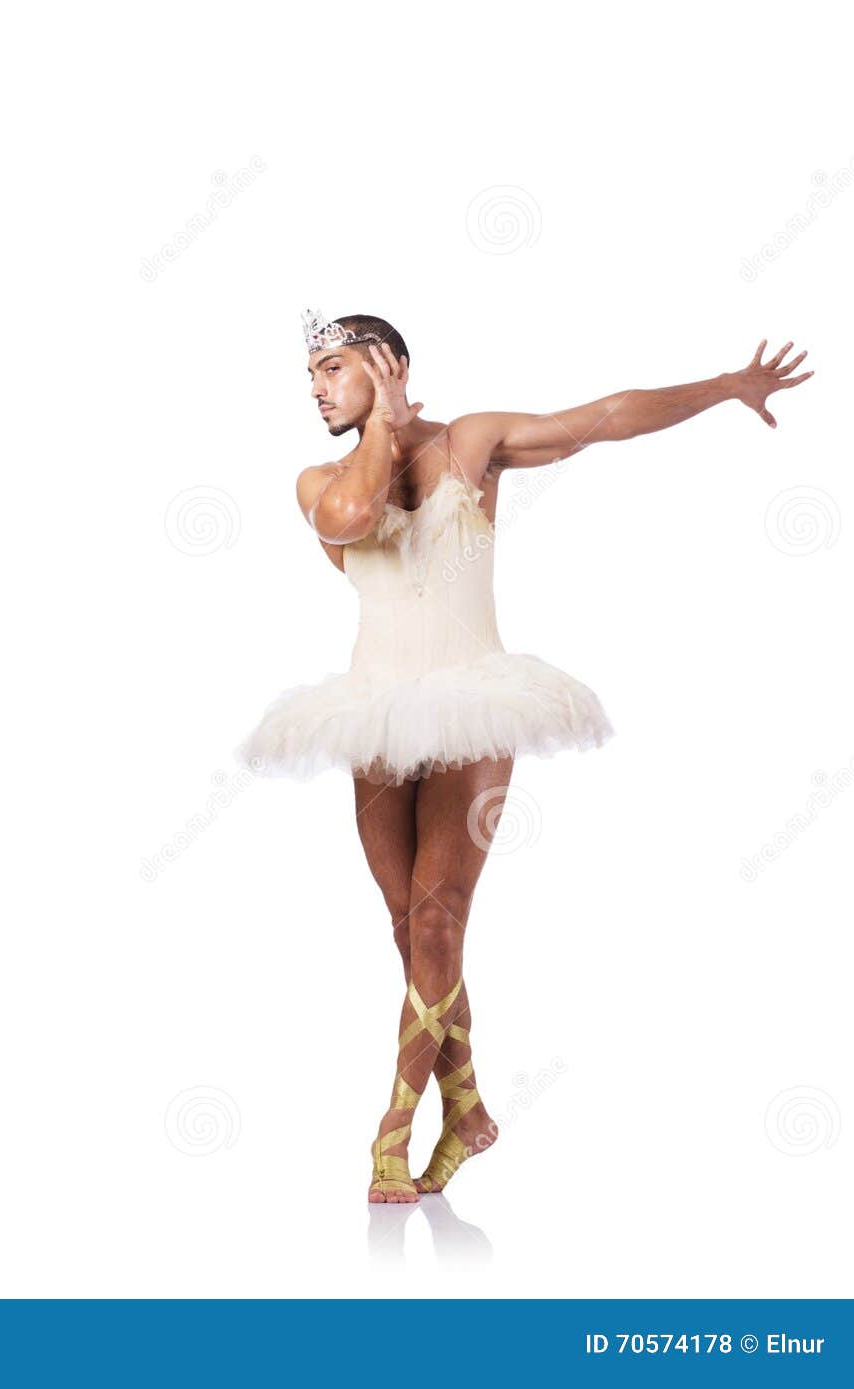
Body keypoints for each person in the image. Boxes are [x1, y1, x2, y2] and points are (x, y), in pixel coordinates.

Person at [241, 312, 811, 1202]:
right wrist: (384, 421)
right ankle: (469, 1108)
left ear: (388, 363)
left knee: (438, 923)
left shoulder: (473, 442)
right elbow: (355, 515)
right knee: (406, 925)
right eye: (310, 375)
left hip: (476, 704)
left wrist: (726, 387)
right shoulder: (320, 481)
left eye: (333, 367)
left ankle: (394, 1127)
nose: (315, 388)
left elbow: (608, 416)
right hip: (373, 715)